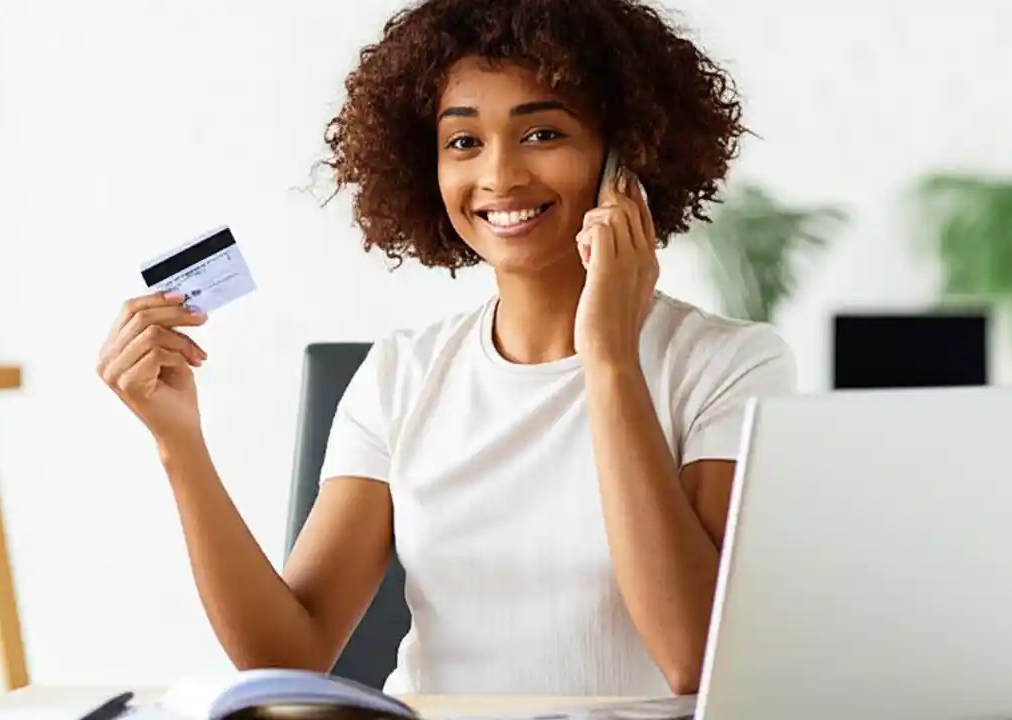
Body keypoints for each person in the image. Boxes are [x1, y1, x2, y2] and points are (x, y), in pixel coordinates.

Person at [96, 0, 794, 698]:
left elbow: (698, 661)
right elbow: (288, 655)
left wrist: (608, 359)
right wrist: (178, 443)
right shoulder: (402, 375)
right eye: (464, 143)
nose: (499, 177)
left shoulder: (729, 368)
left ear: (626, 160)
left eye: (543, 133)